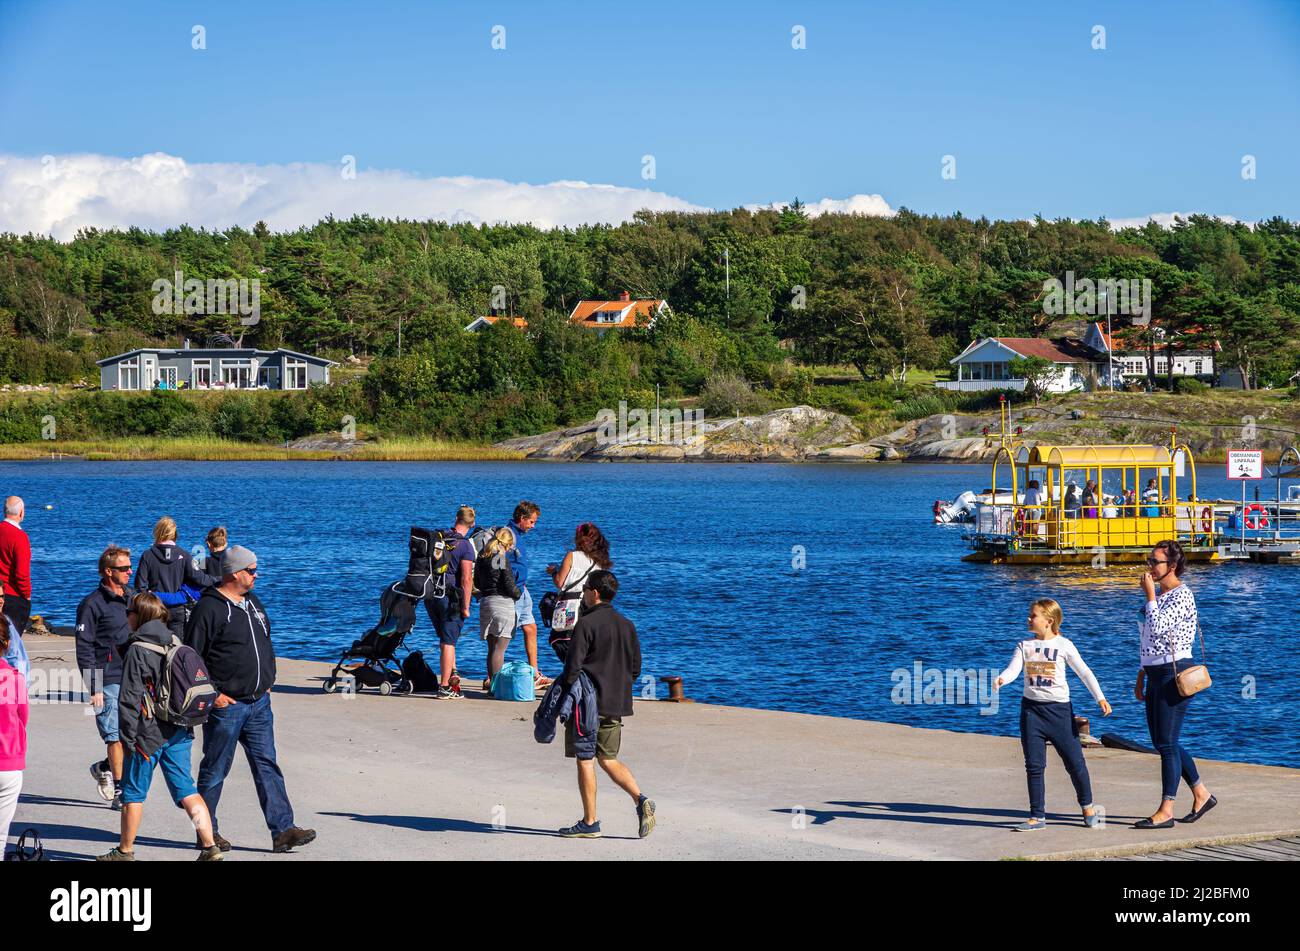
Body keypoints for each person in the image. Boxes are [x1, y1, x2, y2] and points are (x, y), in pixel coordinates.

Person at [184, 545, 316, 854]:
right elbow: (191, 659)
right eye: (251, 571)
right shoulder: (209, 608)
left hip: (259, 703)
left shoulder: (252, 601)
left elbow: (264, 639)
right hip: (227, 707)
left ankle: (283, 830)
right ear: (233, 573)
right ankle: (207, 832)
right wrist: (213, 696)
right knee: (215, 769)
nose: (257, 575)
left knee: (266, 764)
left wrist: (268, 679)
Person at [97, 592, 224, 862]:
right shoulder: (174, 641)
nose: (127, 615)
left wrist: (128, 740)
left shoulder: (137, 648)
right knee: (188, 790)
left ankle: (125, 850)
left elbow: (129, 699)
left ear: (139, 615)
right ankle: (210, 846)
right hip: (179, 728)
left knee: (133, 794)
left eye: (130, 612)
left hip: (148, 733)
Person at [995, 598, 1111, 831]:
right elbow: (1014, 669)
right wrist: (1002, 679)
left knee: (1075, 762)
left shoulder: (1064, 645)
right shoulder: (1024, 645)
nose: (1029, 619)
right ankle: (1037, 816)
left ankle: (1088, 808)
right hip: (1031, 712)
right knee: (1034, 765)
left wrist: (1100, 698)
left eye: (1033, 616)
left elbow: (1084, 672)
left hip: (1059, 712)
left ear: (1048, 621)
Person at [557, 570, 655, 840]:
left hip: (588, 705)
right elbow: (635, 669)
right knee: (608, 758)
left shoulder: (585, 624)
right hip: (616, 703)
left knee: (585, 760)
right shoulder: (627, 625)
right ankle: (640, 799)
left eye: (586, 588)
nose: (584, 593)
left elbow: (572, 669)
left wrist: (562, 700)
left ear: (594, 593)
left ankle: (590, 822)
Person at [1133, 540, 1216, 829]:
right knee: (1162, 742)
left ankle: (1166, 809)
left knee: (1167, 744)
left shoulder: (1182, 596)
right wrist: (1141, 674)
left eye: (1155, 562)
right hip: (1155, 673)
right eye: (1149, 560)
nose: (1149, 566)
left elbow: (1158, 626)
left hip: (1175, 672)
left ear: (1173, 566)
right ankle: (1201, 793)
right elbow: (1148, 638)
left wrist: (1150, 595)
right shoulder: (1160, 596)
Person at [76, 545, 136, 810]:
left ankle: (104, 767)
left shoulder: (133, 597)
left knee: (134, 737)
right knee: (114, 736)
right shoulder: (92, 604)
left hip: (134, 677)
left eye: (129, 567)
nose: (129, 572)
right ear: (109, 571)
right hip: (107, 677)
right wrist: (94, 686)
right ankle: (122, 792)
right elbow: (84, 647)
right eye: (124, 569)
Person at [135, 516, 218, 637]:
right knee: (177, 647)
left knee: (154, 644)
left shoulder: (147, 555)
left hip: (155, 607)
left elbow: (140, 587)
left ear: (157, 532)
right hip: (177, 608)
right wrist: (221, 579)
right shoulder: (184, 555)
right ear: (175, 534)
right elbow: (201, 579)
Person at [426, 506, 476, 700]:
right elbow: (466, 579)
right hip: (451, 598)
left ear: (456, 518)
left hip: (431, 596)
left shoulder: (438, 537)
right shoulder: (465, 546)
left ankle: (453, 673)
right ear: (472, 525)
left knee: (446, 639)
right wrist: (466, 606)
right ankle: (444, 686)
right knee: (448, 641)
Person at [545, 522, 612, 661]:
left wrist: (553, 572)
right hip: (591, 606)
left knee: (563, 641)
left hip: (570, 606)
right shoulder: (600, 561)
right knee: (585, 643)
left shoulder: (572, 556)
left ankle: (573, 675)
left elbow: (560, 582)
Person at [504, 501, 550, 689]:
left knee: (530, 627)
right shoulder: (507, 535)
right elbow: (500, 564)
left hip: (523, 590)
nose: (533, 526)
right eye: (531, 522)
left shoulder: (518, 535)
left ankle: (534, 672)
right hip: (512, 592)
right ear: (522, 519)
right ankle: (492, 674)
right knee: (504, 635)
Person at [475, 528, 521, 690]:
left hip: (486, 602)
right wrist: (518, 593)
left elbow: (478, 583)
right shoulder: (499, 558)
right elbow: (508, 584)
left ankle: (492, 683)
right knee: (499, 649)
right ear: (506, 544)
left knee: (491, 648)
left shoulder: (482, 556)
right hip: (502, 603)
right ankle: (496, 688)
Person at [0, 618, 27, 852]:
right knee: (1, 834)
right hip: (8, 761)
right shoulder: (14, 678)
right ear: (7, 644)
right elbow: (22, 717)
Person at [0, 496, 31, 637]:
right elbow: (21, 574)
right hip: (13, 596)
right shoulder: (19, 536)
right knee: (11, 644)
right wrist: (27, 595)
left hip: (2, 592)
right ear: (21, 513)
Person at [0, 594, 29, 680]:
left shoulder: (6, 623)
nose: (1, 601)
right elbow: (15, 657)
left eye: (2, 597)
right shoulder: (6, 624)